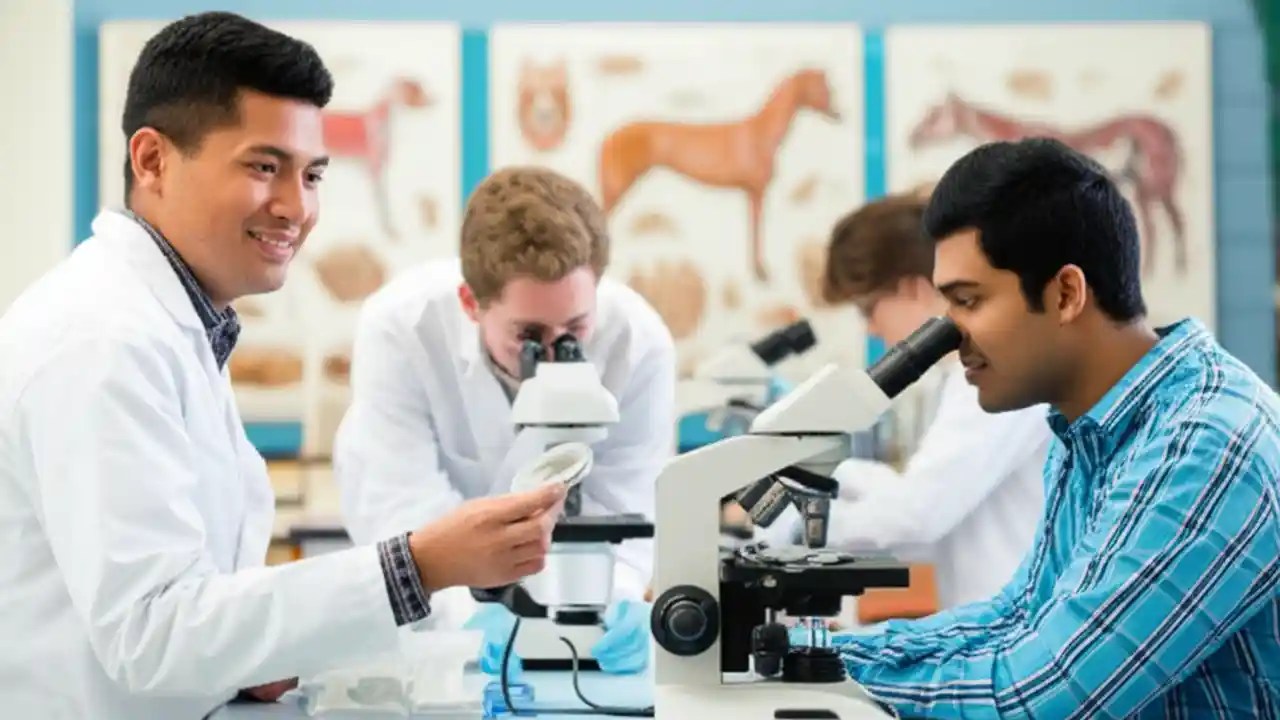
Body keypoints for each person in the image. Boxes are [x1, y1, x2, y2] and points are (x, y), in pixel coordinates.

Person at [0, 13, 565, 719]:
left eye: (313, 174)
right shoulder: (100, 341)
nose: (298, 207)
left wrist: (257, 657)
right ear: (152, 161)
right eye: (264, 167)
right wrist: (418, 564)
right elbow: (150, 632)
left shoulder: (171, 323)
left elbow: (182, 600)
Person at [837, 138, 1280, 717]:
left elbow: (1046, 697)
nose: (950, 334)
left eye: (969, 302)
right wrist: (818, 656)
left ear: (1066, 293)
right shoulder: (1090, 432)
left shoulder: (1205, 442)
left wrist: (817, 678)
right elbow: (1018, 614)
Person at [332, 165, 676, 674]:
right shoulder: (401, 330)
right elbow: (401, 506)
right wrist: (474, 622)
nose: (558, 352)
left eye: (576, 327)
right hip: (444, 626)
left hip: (578, 617)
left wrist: (615, 601)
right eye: (529, 335)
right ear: (471, 303)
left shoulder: (638, 341)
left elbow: (626, 500)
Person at [765, 192, 1051, 610]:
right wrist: (824, 475)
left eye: (868, 310)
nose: (872, 329)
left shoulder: (997, 375)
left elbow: (919, 515)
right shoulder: (962, 378)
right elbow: (925, 490)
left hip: (1017, 635)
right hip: (990, 620)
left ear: (913, 289)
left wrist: (801, 527)